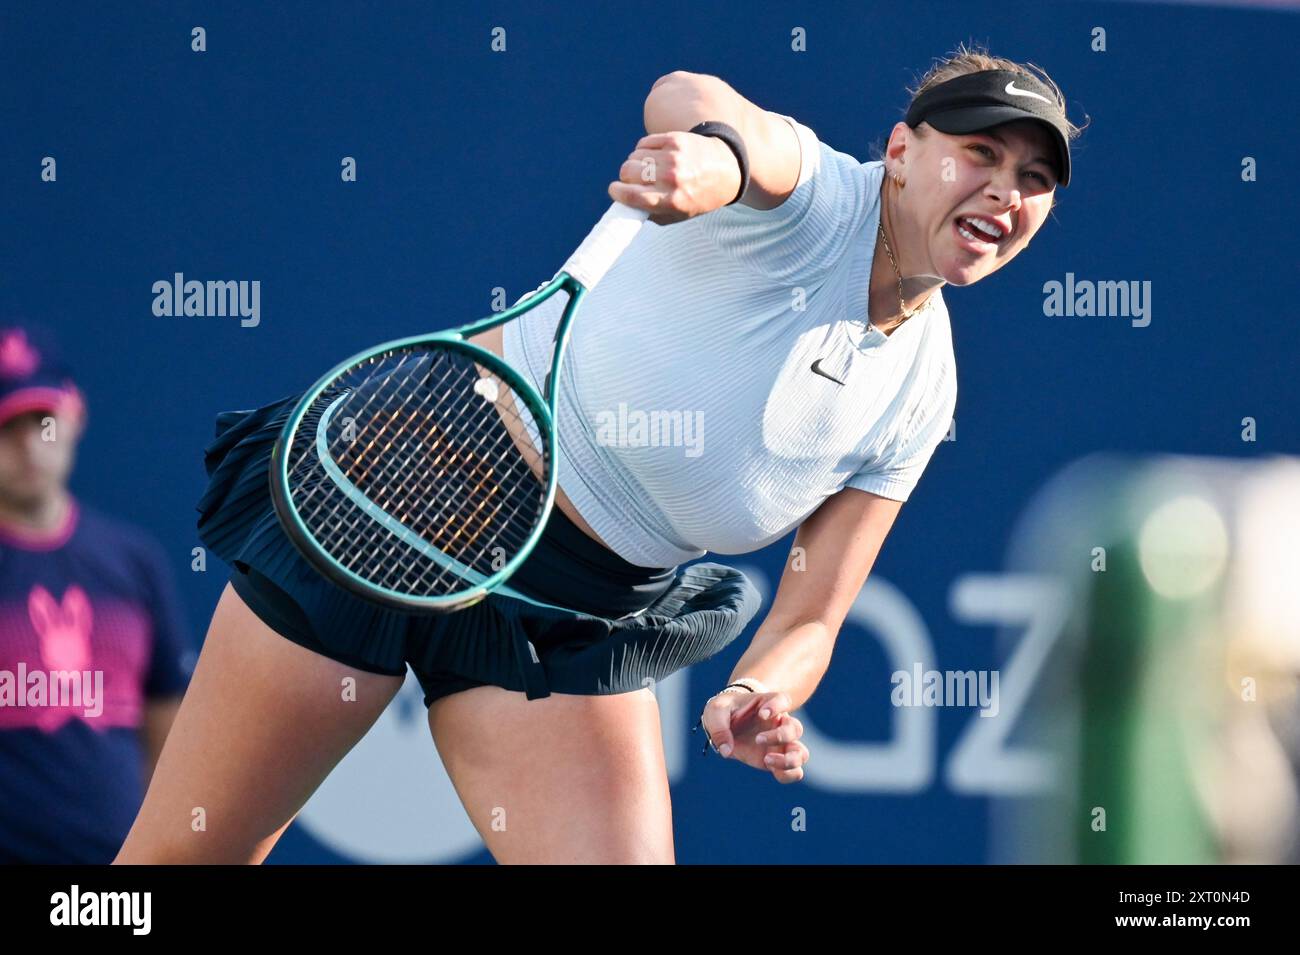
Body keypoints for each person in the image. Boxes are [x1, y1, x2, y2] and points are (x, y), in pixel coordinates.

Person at [116, 43, 1082, 864]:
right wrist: (715, 161)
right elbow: (694, 98)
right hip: (407, 491)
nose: (1005, 191)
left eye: (1033, 180)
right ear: (903, 152)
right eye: (980, 154)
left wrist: (759, 691)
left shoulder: (923, 388)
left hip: (575, 612)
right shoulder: (814, 192)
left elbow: (814, 615)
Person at [0, 324, 193, 863]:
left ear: (75, 413)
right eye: (6, 427)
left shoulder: (136, 561)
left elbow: (169, 724)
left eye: (40, 421)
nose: (27, 446)